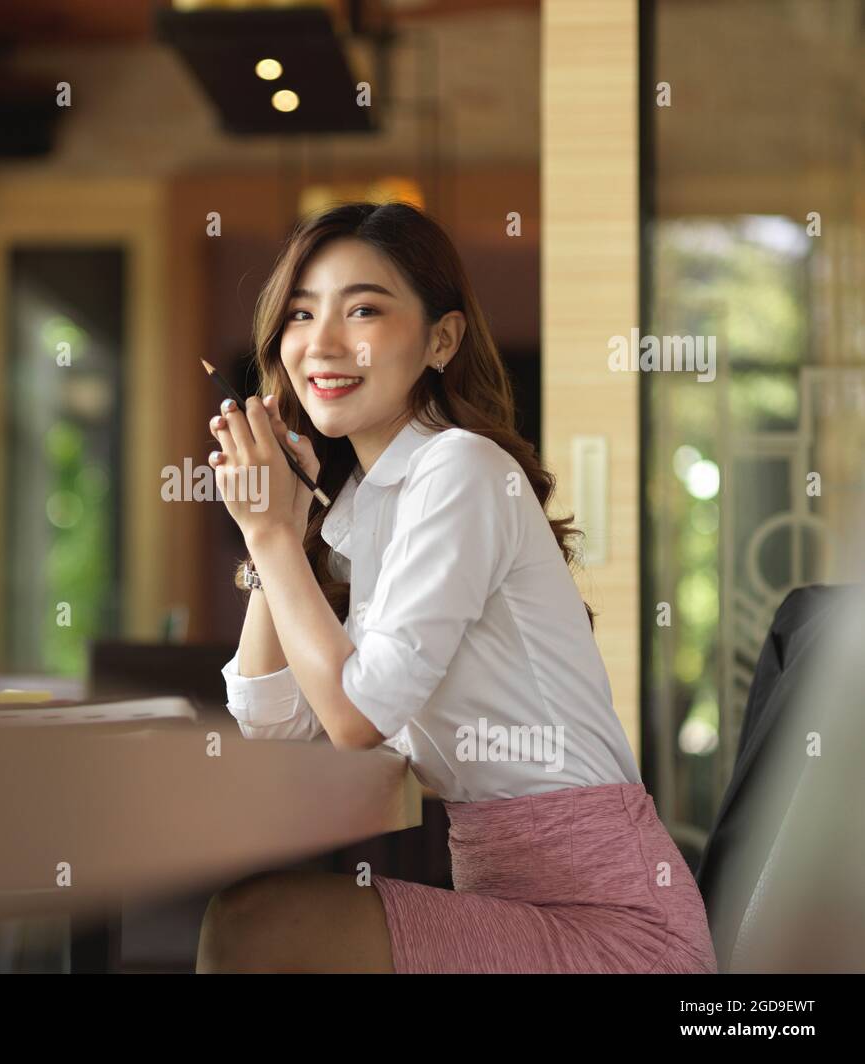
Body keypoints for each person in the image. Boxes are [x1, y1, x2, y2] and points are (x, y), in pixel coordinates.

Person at [196, 201, 717, 974]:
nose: (322, 344)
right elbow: (274, 728)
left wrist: (273, 537)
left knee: (258, 927)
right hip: (513, 903)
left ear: (441, 339)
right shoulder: (375, 509)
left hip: (618, 926)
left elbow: (358, 716)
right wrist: (279, 527)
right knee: (252, 921)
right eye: (301, 315)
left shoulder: (461, 470)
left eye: (364, 308)